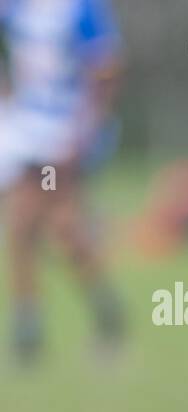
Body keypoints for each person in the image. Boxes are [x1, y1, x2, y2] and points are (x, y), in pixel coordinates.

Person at [0, 0, 124, 364]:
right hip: (25, 130)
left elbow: (107, 68)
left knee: (63, 229)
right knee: (23, 225)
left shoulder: (81, 9)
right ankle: (30, 329)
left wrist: (85, 127)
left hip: (66, 129)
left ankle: (105, 312)